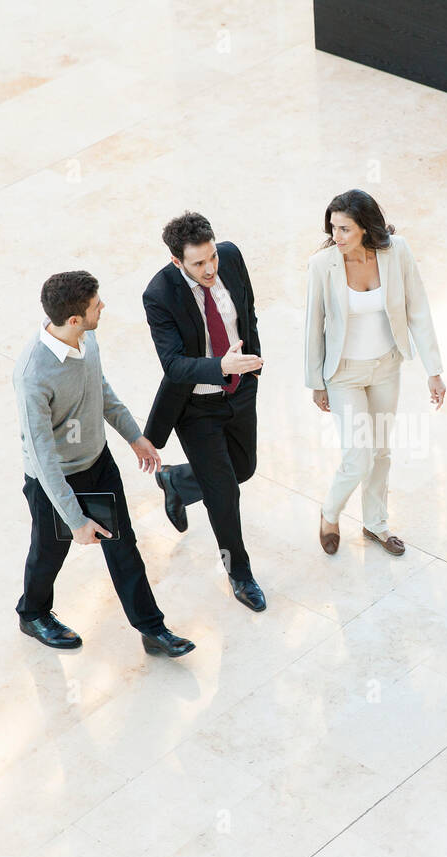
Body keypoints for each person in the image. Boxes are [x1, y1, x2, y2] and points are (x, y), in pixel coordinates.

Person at [13, 270, 194, 658]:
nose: (103, 308)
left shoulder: (86, 338)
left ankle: (152, 629)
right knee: (49, 552)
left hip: (98, 462)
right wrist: (75, 520)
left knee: (123, 545)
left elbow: (101, 390)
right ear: (74, 318)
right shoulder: (33, 375)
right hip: (55, 479)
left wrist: (134, 436)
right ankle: (32, 613)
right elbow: (43, 458)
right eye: (97, 305)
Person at [304, 189, 446, 556]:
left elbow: (418, 309)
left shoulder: (396, 251)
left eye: (345, 229)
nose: (337, 237)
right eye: (333, 228)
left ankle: (375, 524)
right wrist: (316, 383)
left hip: (386, 366)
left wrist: (434, 371)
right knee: (358, 455)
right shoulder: (323, 265)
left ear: (366, 228)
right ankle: (330, 512)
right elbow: (312, 326)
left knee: (381, 451)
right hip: (344, 374)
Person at [140, 212, 268, 612]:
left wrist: (251, 367)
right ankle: (239, 572)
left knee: (243, 469)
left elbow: (248, 312)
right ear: (177, 262)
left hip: (240, 388)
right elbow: (174, 365)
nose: (210, 268)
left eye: (211, 256)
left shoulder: (230, 257)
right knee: (224, 493)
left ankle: (177, 481)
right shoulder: (159, 294)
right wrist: (219, 366)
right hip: (196, 406)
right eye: (198, 263)